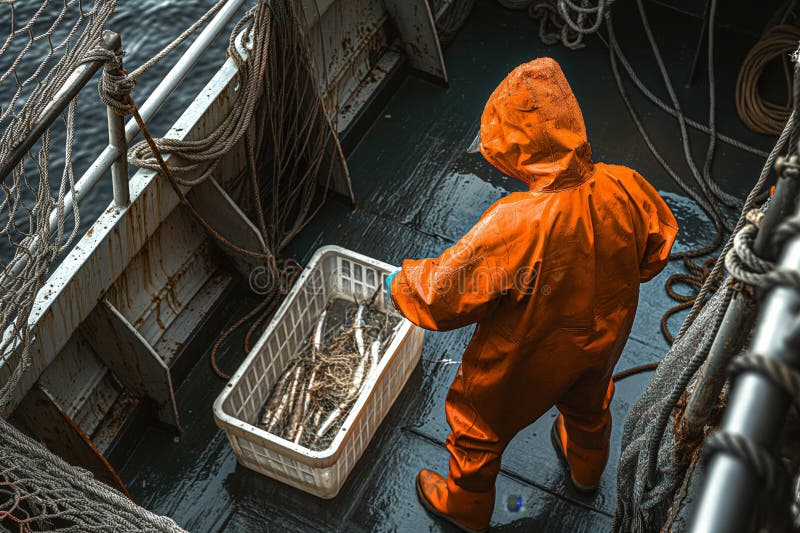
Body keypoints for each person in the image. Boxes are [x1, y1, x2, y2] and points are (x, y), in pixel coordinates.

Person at [384, 57, 678, 532]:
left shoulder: (515, 222)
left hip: (526, 356)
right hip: (603, 338)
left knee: (478, 423)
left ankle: (466, 506)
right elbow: (657, 247)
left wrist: (400, 283)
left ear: (512, 144)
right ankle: (586, 470)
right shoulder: (624, 184)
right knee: (589, 402)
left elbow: (443, 295)